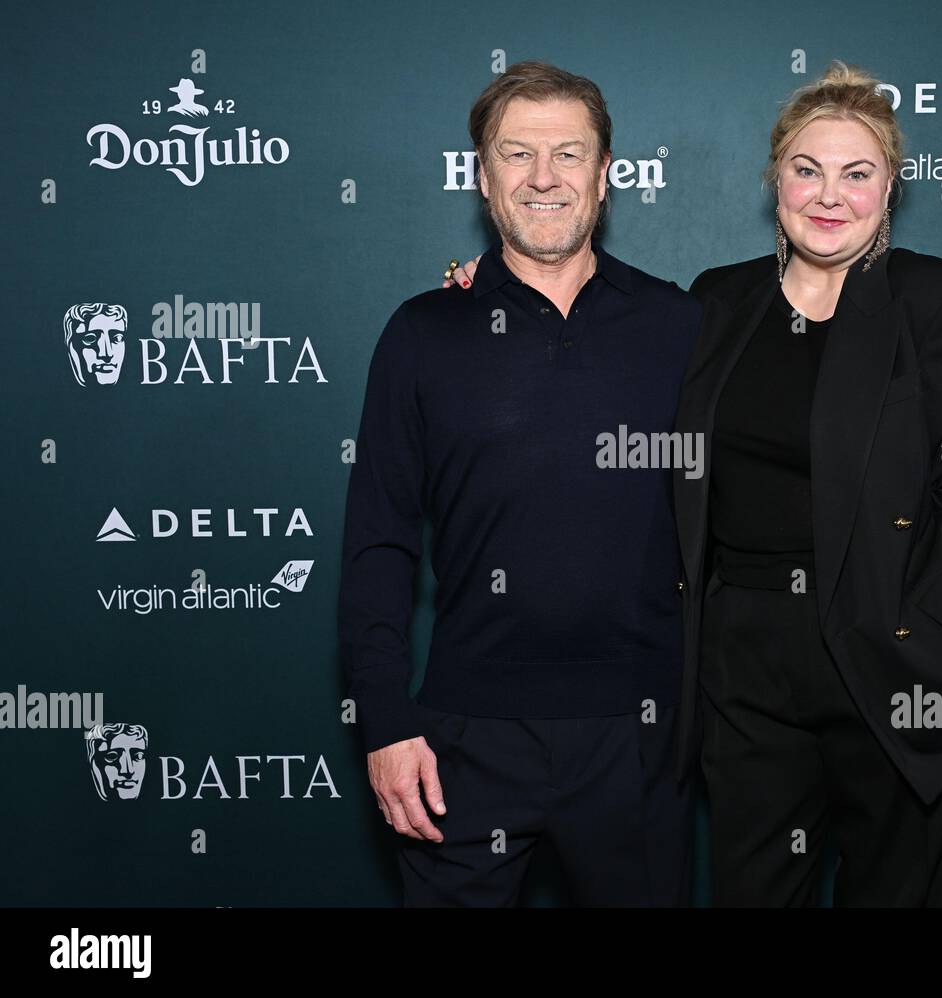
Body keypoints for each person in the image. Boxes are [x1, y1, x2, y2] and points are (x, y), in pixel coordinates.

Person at [446, 60, 942, 907]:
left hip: (897, 663)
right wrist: (484, 288)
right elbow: (601, 326)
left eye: (856, 174)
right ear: (775, 181)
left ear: (890, 187)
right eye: (807, 170)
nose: (830, 195)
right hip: (743, 673)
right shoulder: (718, 302)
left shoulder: (937, 297)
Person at [339, 61, 700, 906]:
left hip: (640, 739)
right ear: (481, 174)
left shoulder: (681, 324)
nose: (544, 177)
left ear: (606, 175)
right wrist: (385, 721)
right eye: (517, 154)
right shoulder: (423, 331)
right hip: (462, 742)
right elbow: (379, 541)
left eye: (569, 154)